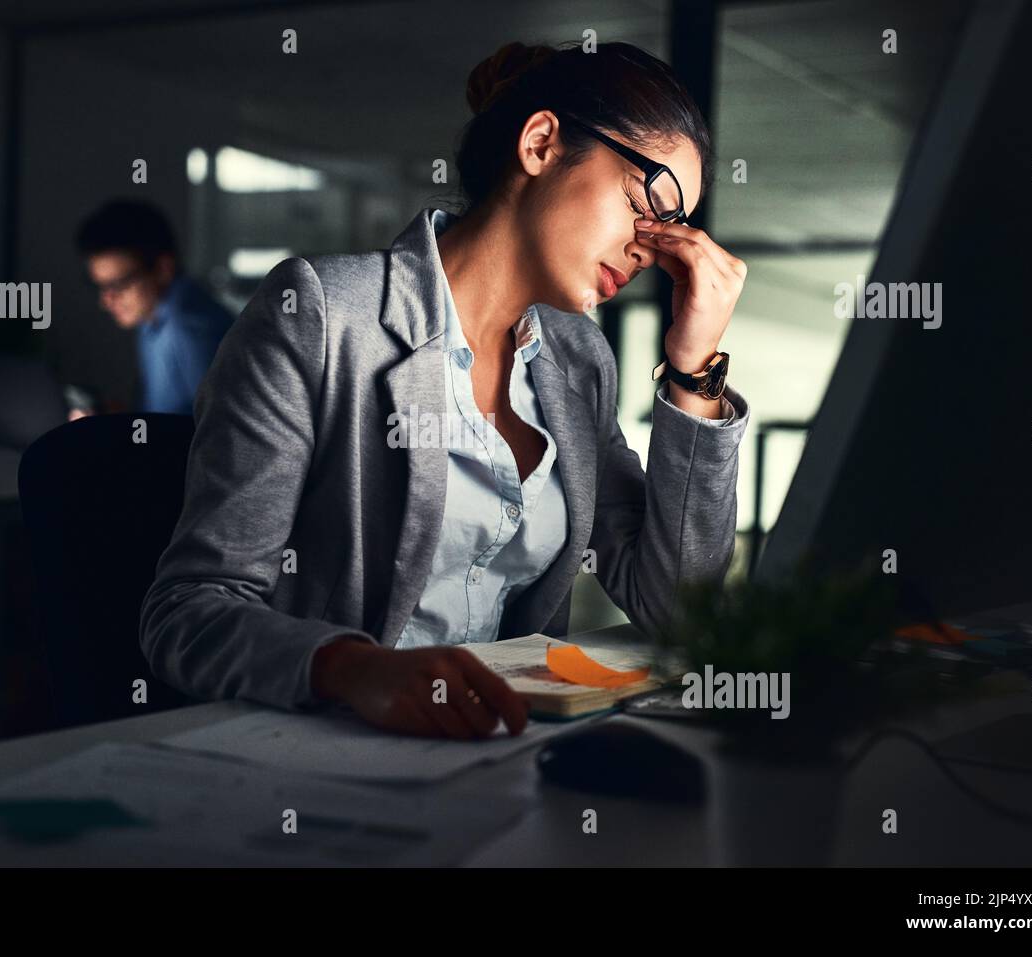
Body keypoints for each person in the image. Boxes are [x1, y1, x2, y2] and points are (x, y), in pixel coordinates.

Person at [140, 40, 751, 739]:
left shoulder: (578, 361)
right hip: (321, 756)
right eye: (653, 201)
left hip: (497, 757)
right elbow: (188, 608)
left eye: (676, 225)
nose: (654, 245)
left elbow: (677, 607)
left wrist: (692, 367)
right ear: (542, 143)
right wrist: (350, 668)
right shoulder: (322, 314)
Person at [75, 199, 235, 415]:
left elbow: (218, 436)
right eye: (101, 287)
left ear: (162, 269)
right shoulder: (151, 316)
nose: (106, 301)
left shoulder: (190, 327)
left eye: (119, 284)